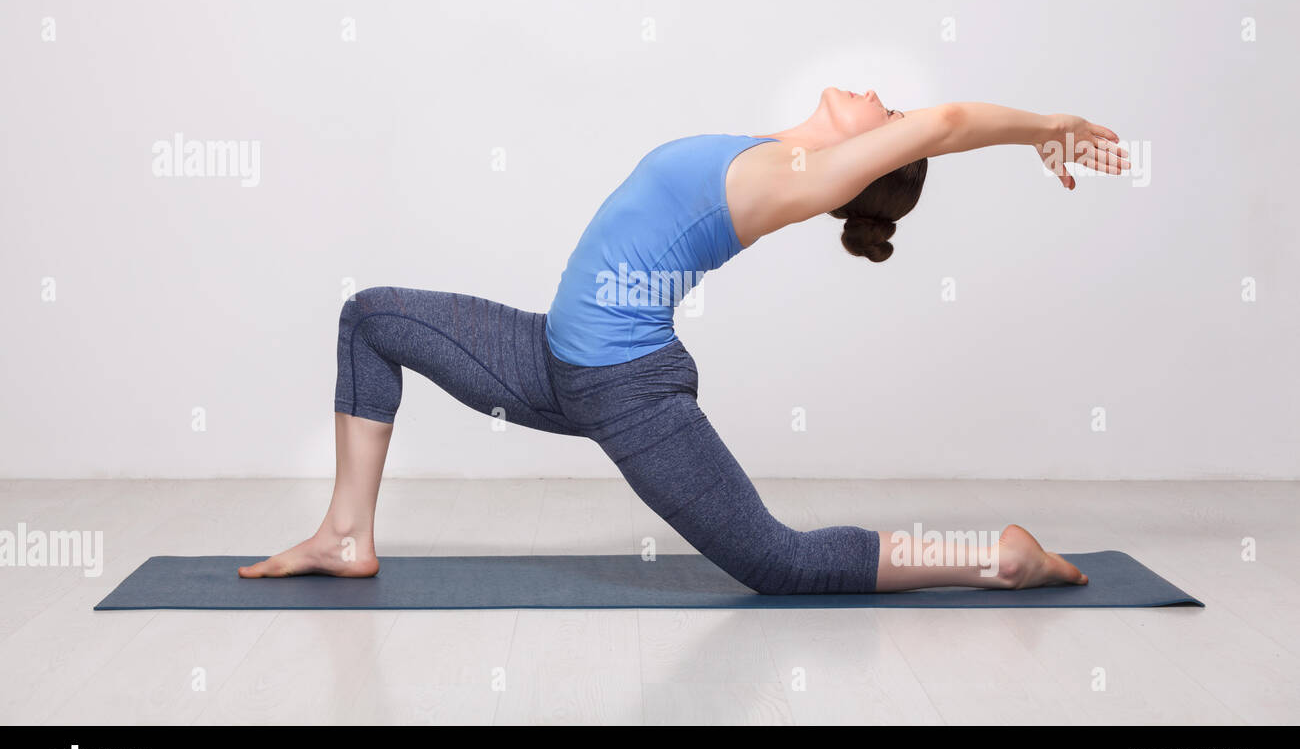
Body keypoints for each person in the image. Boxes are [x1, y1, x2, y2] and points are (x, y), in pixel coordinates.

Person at [240, 87, 1128, 592]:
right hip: (554, 358)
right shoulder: (774, 148)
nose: (877, 95)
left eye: (888, 111)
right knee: (370, 319)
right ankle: (343, 537)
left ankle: (994, 558)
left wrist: (1049, 127)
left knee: (777, 562)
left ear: (877, 153)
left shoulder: (806, 179)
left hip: (626, 388)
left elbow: (940, 126)